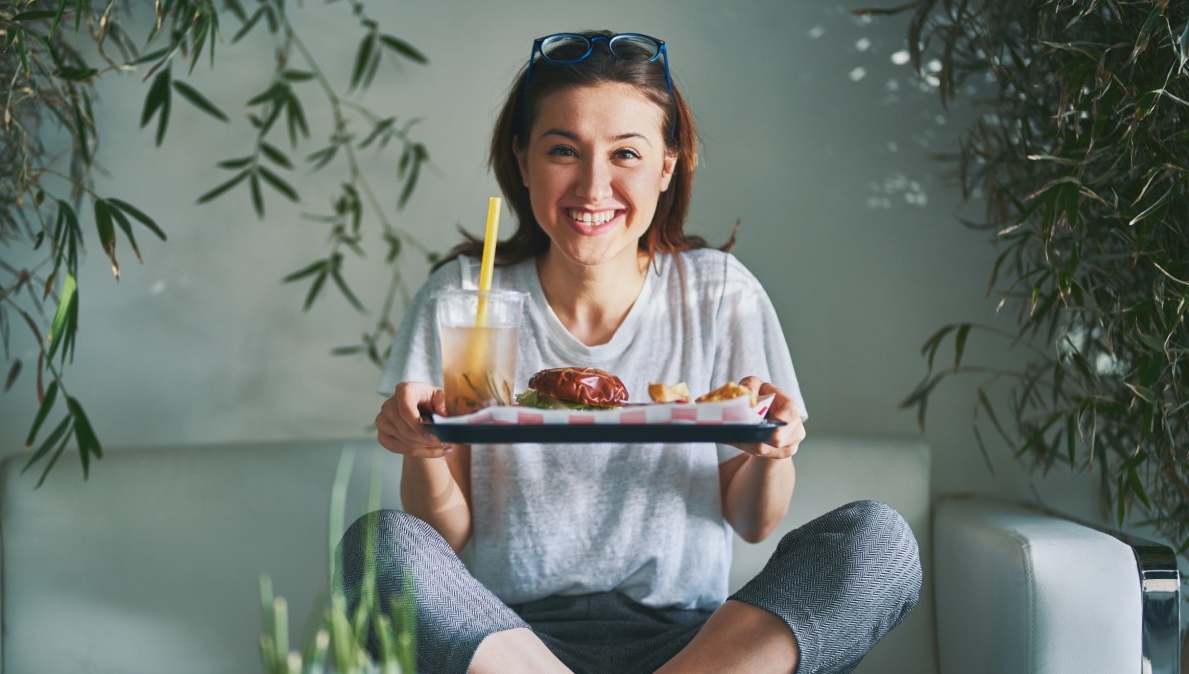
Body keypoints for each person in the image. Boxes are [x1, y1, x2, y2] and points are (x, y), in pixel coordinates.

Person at [339, 30, 921, 674]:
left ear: (668, 166)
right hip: (509, 645)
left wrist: (774, 451)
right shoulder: (465, 298)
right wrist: (426, 449)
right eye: (564, 150)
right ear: (523, 159)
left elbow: (753, 521)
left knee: (880, 542)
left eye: (625, 154)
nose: (593, 186)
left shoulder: (719, 293)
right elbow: (444, 539)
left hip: (699, 649)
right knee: (380, 545)